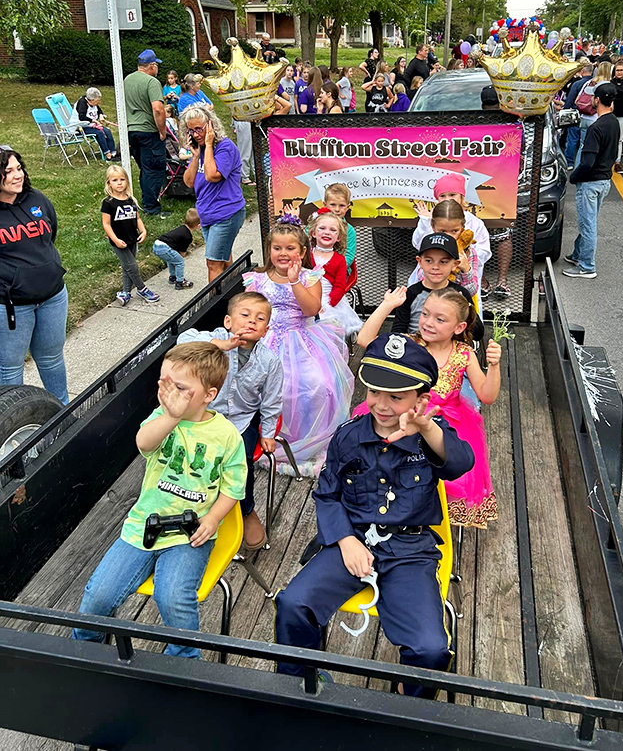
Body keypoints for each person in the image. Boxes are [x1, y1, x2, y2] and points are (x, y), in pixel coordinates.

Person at [273, 334, 474, 697]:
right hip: (352, 541)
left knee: (430, 649)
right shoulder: (348, 437)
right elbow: (327, 493)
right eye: (374, 391)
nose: (381, 404)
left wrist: (427, 428)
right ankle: (302, 683)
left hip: (409, 551)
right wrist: (346, 540)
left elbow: (461, 462)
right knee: (293, 604)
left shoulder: (431, 436)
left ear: (420, 399)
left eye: (396, 396)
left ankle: (409, 708)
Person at [72, 342, 247, 659]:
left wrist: (212, 518)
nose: (169, 393)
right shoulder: (161, 417)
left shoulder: (227, 436)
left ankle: (183, 659)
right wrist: (171, 415)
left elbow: (233, 489)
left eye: (180, 387)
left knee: (172, 595)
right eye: (164, 383)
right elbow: (144, 443)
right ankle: (85, 650)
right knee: (99, 594)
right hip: (143, 524)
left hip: (190, 533)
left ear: (208, 395)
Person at [356, 288, 500, 528]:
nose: (428, 323)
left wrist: (493, 366)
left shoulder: (464, 353)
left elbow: (486, 395)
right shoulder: (410, 344)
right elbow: (364, 341)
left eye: (439, 319)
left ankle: (435, 523)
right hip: (407, 419)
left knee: (451, 470)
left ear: (460, 327)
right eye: (424, 314)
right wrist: (387, 305)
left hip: (451, 423)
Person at [243, 215, 353, 478]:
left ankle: (307, 442)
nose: (283, 253)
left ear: (302, 252)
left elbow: (311, 309)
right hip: (266, 340)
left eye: (290, 248)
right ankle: (266, 438)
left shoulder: (309, 277)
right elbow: (249, 312)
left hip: (302, 338)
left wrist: (294, 281)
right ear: (269, 250)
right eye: (277, 248)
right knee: (262, 387)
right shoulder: (257, 278)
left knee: (317, 384)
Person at [177, 292, 284, 551]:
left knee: (241, 460)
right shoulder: (217, 339)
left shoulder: (269, 361)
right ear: (228, 321)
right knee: (189, 456)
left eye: (259, 319)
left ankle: (245, 509)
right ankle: (193, 502)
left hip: (241, 420)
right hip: (204, 416)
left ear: (266, 330)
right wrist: (217, 345)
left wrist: (267, 432)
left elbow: (271, 400)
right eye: (244, 315)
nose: (251, 322)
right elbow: (183, 339)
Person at [0, 149, 69, 405]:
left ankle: (62, 413)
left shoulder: (36, 199)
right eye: (8, 171)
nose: (17, 175)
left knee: (51, 358)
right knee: (10, 368)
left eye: (19, 168)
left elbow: (50, 235)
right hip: (11, 305)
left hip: (53, 297)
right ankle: (13, 426)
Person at [181, 105, 246, 283]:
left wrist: (209, 144)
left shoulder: (225, 148)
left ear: (210, 126)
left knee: (213, 263)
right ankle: (234, 297)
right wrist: (195, 156)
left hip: (226, 213)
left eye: (199, 129)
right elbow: (188, 182)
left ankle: (214, 306)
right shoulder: (199, 150)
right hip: (207, 214)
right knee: (223, 259)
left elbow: (212, 175)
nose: (195, 134)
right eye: (191, 130)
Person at [563, 82, 619, 279]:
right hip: (604, 181)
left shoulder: (595, 128)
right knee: (590, 221)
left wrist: (574, 176)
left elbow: (587, 162)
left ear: (597, 100)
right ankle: (578, 254)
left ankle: (587, 266)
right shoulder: (613, 123)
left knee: (587, 225)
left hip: (590, 183)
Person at [410, 172, 491, 293]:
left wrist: (462, 258)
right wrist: (425, 221)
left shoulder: (475, 223)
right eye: (442, 196)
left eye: (452, 195)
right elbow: (418, 244)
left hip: (461, 285)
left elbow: (485, 251)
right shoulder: (432, 220)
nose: (447, 199)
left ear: (461, 197)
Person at [101, 165, 159, 306]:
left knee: (127, 267)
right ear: (109, 183)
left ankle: (126, 292)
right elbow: (106, 224)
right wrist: (115, 239)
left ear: (127, 181)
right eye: (115, 180)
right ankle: (142, 289)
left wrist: (143, 231)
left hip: (132, 238)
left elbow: (137, 218)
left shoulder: (130, 199)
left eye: (122, 179)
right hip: (119, 241)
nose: (119, 183)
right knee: (132, 266)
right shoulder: (108, 203)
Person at [123, 49, 168, 217]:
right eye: (157, 65)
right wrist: (162, 131)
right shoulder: (151, 82)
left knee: (144, 167)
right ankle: (152, 207)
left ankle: (145, 199)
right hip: (149, 131)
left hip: (131, 130)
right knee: (154, 169)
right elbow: (158, 109)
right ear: (152, 65)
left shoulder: (127, 79)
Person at [308, 210, 362, 336]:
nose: (327, 232)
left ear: (338, 237)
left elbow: (339, 287)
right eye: (322, 228)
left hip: (330, 300)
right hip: (308, 297)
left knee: (329, 327)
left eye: (333, 230)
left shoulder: (339, 260)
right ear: (313, 233)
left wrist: (327, 305)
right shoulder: (306, 255)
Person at [152, 207, 201, 290]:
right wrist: (181, 256)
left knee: (172, 259)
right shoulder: (188, 236)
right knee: (179, 262)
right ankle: (180, 282)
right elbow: (182, 253)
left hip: (157, 244)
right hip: (165, 248)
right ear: (198, 226)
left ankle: (173, 277)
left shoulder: (182, 228)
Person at [70, 87, 117, 160]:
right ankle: (107, 153)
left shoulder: (93, 103)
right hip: (79, 128)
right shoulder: (82, 103)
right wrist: (94, 121)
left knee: (107, 131)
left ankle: (113, 152)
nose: (98, 102)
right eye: (97, 101)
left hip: (90, 125)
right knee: (99, 133)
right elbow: (81, 117)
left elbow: (99, 110)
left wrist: (101, 115)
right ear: (91, 100)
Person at [563, 63, 593, 167]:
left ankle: (569, 162)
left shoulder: (577, 84)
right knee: (585, 142)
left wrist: (565, 110)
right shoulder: (594, 83)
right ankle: (584, 163)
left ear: (582, 71)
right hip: (590, 115)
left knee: (572, 139)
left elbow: (570, 100)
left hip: (576, 114)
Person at [323, 182, 355, 274]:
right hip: (315, 267)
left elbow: (349, 256)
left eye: (341, 206)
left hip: (339, 270)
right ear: (325, 205)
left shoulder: (349, 230)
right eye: (333, 205)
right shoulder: (315, 225)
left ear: (347, 207)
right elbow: (305, 243)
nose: (337, 209)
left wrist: (331, 267)